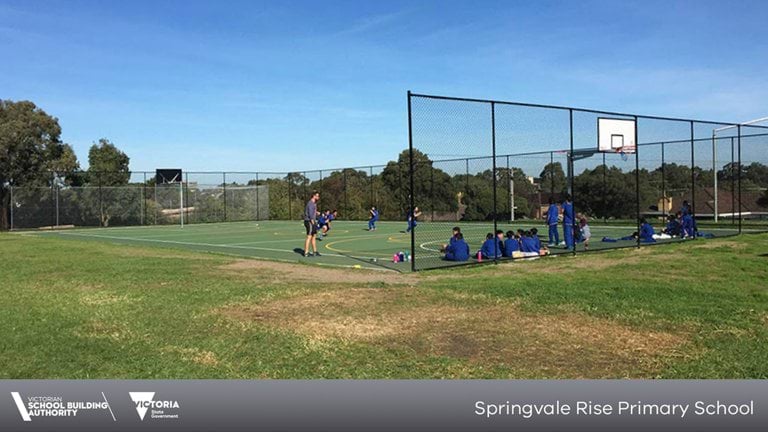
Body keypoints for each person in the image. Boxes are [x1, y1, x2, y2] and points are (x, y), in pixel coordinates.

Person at [303, 191, 321, 257]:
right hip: (309, 221)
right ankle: (306, 252)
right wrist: (313, 223)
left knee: (314, 236)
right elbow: (310, 215)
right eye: (317, 196)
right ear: (314, 196)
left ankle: (315, 251)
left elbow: (313, 211)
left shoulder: (314, 203)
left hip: (313, 221)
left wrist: (316, 212)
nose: (318, 197)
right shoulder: (310, 203)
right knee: (309, 236)